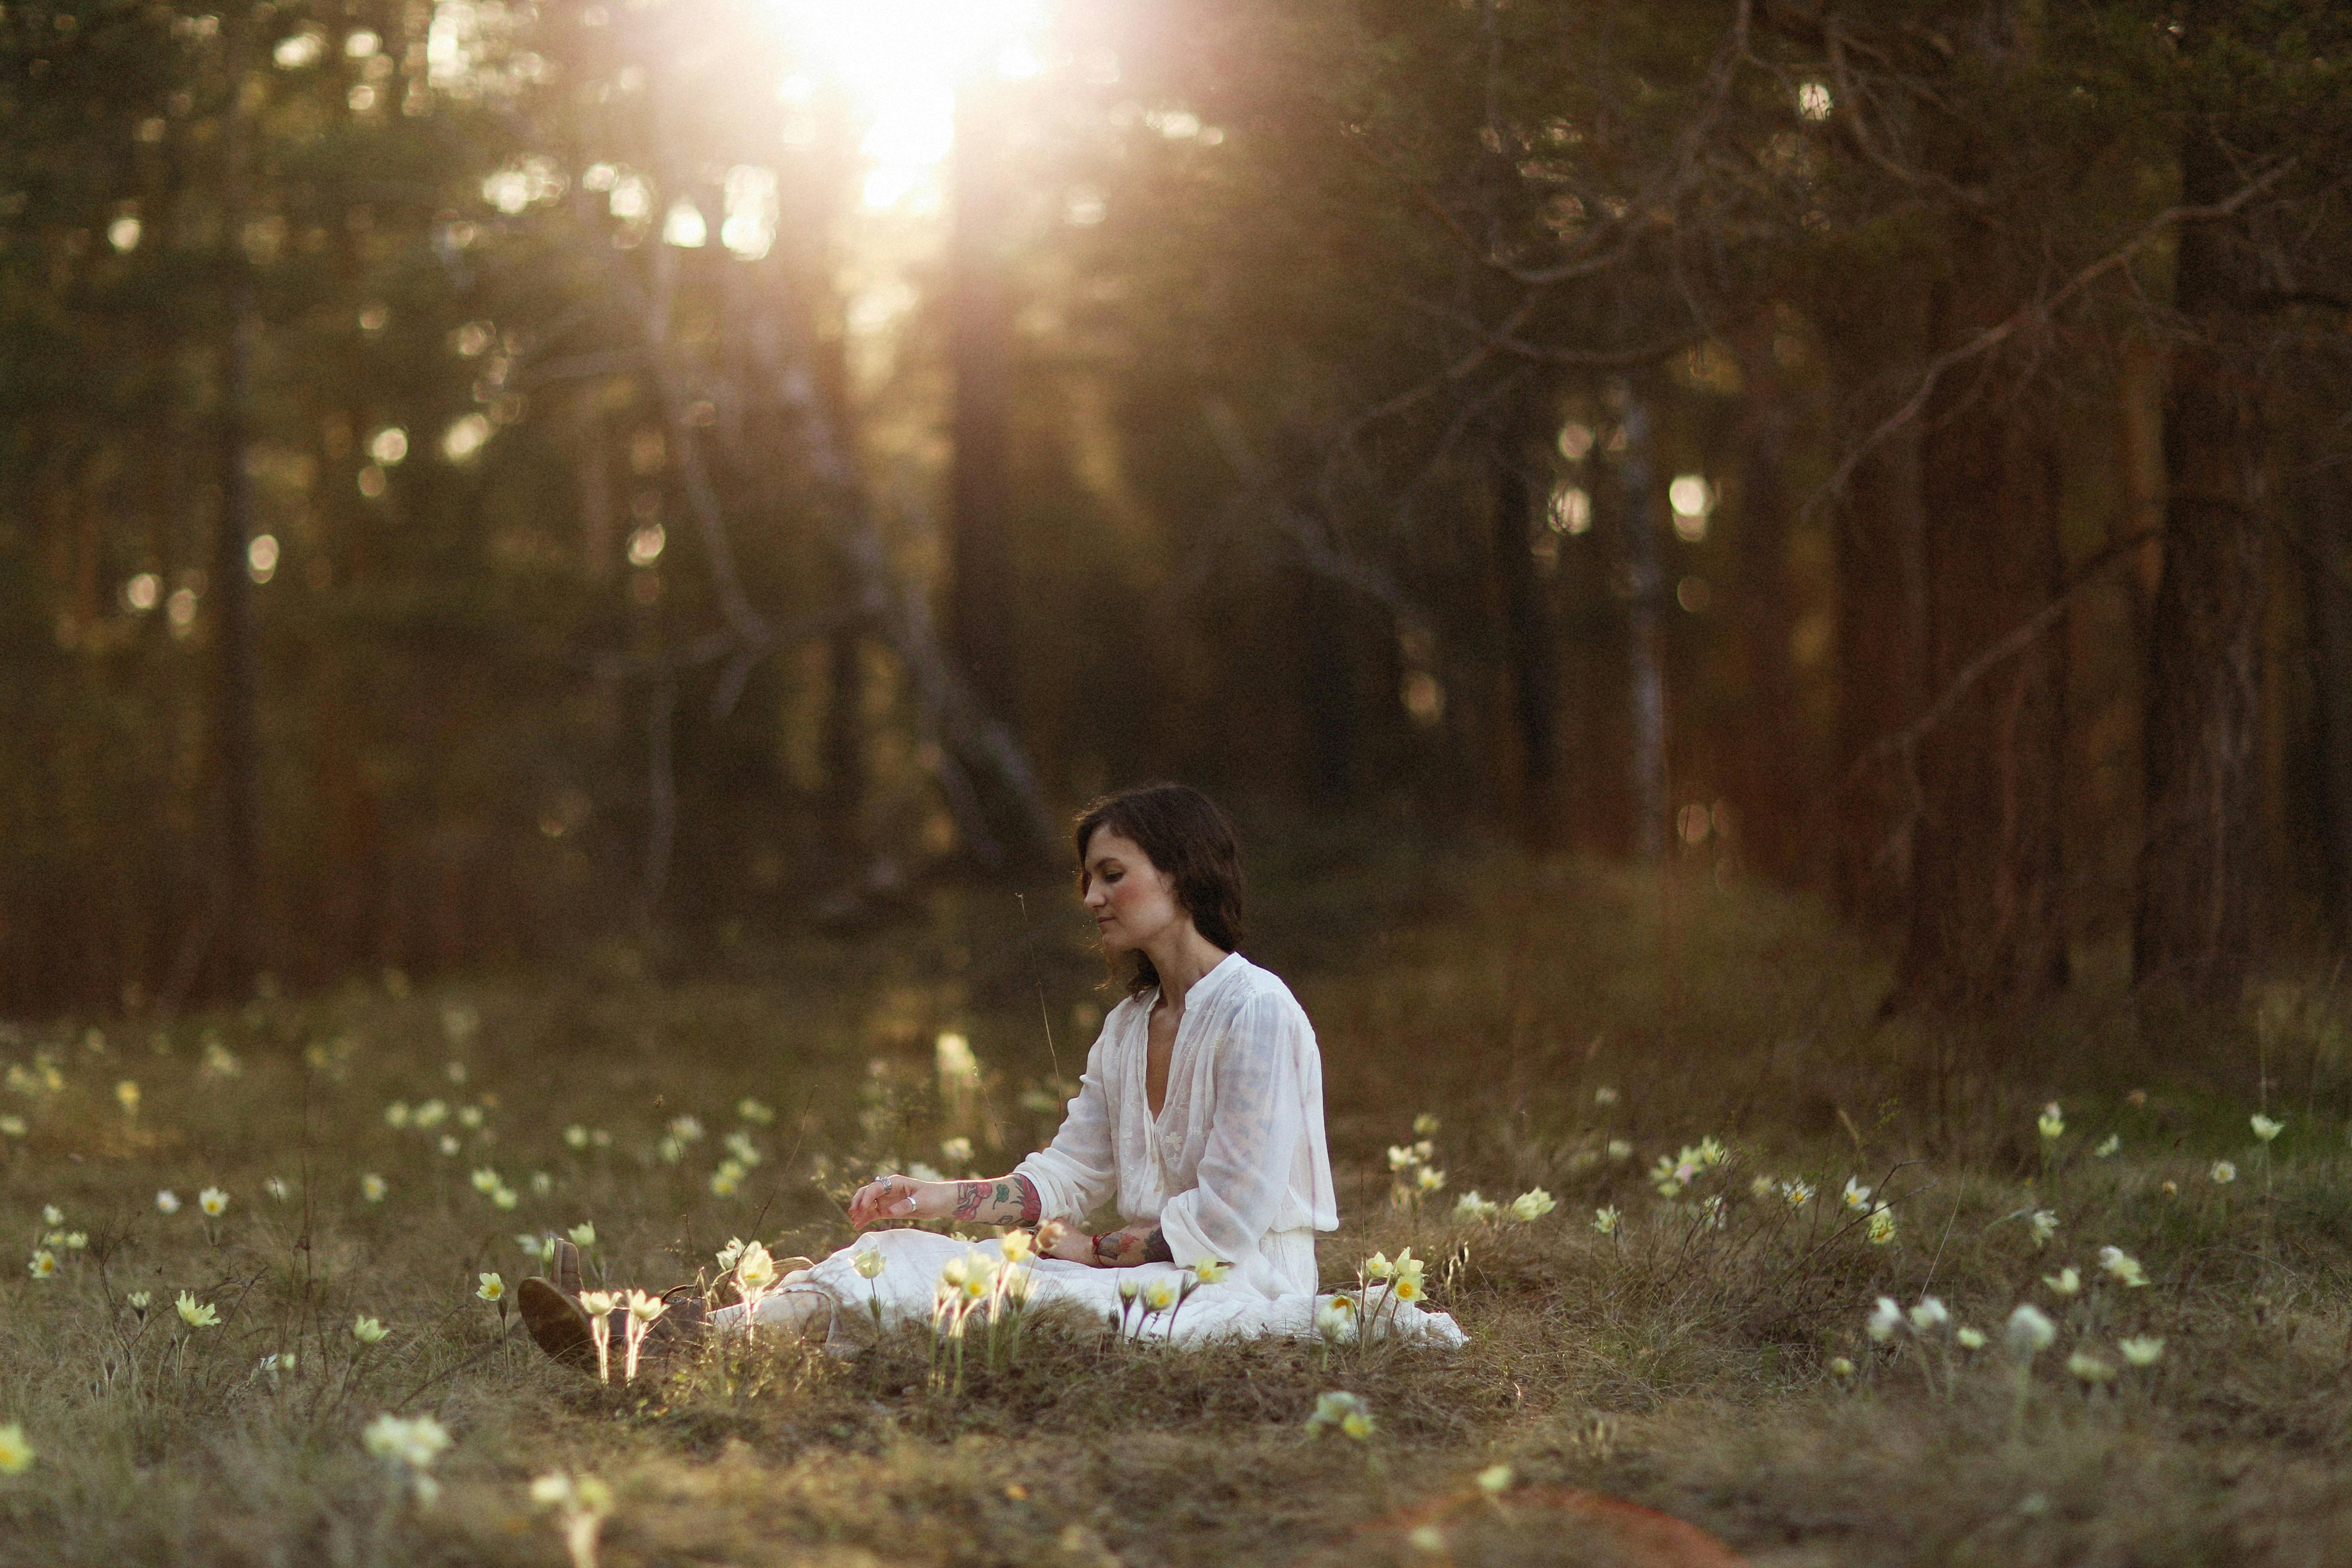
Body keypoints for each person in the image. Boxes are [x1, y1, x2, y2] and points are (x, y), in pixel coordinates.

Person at [517, 783, 1463, 1372]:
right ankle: (645, 1329)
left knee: (962, 1284)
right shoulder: (1129, 1028)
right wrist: (933, 1196)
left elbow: (1230, 1217)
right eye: (1086, 878)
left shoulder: (1258, 1010)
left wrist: (1090, 1253)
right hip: (1149, 1283)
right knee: (907, 1250)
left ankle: (651, 1338)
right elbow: (1064, 1177)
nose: (1090, 897)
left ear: (1180, 873)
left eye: (1111, 874)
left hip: (1234, 1292)